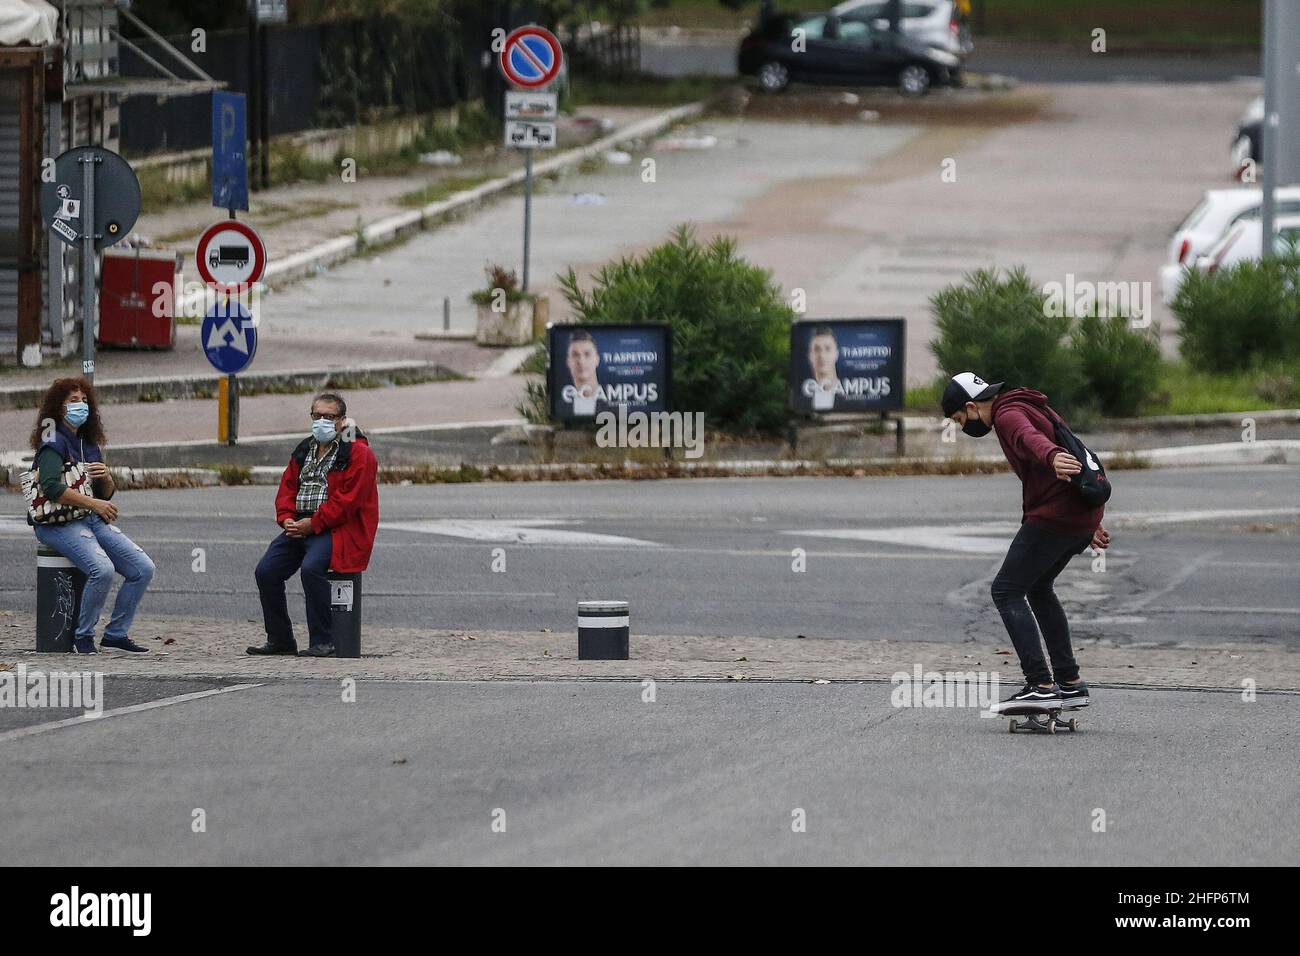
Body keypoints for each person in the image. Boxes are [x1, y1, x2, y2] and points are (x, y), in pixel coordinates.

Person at [941, 372, 1111, 711]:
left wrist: (1048, 456)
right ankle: (1070, 682)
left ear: (972, 406)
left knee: (1005, 590)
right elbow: (1073, 445)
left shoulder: (1007, 414)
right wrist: (1087, 521)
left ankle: (1040, 684)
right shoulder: (1031, 404)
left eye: (961, 419)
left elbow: (1028, 438)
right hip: (1078, 513)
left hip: (1056, 515)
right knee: (1038, 587)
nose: (964, 428)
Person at [27, 377, 154, 654]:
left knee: (142, 568)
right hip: (56, 521)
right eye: (73, 401)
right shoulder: (53, 440)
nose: (80, 406)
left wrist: (107, 479)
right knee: (103, 569)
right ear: (58, 407)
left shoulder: (88, 443)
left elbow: (103, 494)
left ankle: (116, 633)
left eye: (84, 401)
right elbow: (51, 488)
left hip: (86, 518)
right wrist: (96, 505)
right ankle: (83, 636)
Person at [248, 392, 378, 658]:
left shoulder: (359, 454)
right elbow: (287, 487)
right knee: (266, 572)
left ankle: (323, 640)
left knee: (311, 569)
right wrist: (286, 517)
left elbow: (348, 502)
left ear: (342, 421)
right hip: (300, 524)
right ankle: (281, 639)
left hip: (334, 529)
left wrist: (314, 523)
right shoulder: (304, 450)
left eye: (329, 417)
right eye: (317, 416)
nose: (322, 421)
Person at [564, 330, 602, 416]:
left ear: (597, 359)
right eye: (575, 355)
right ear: (568, 362)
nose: (581, 361)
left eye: (587, 354)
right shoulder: (560, 407)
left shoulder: (615, 407)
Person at [806, 326, 840, 410]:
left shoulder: (852, 398)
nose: (821, 355)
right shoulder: (802, 398)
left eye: (827, 349)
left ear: (836, 354)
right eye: (817, 349)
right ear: (810, 356)